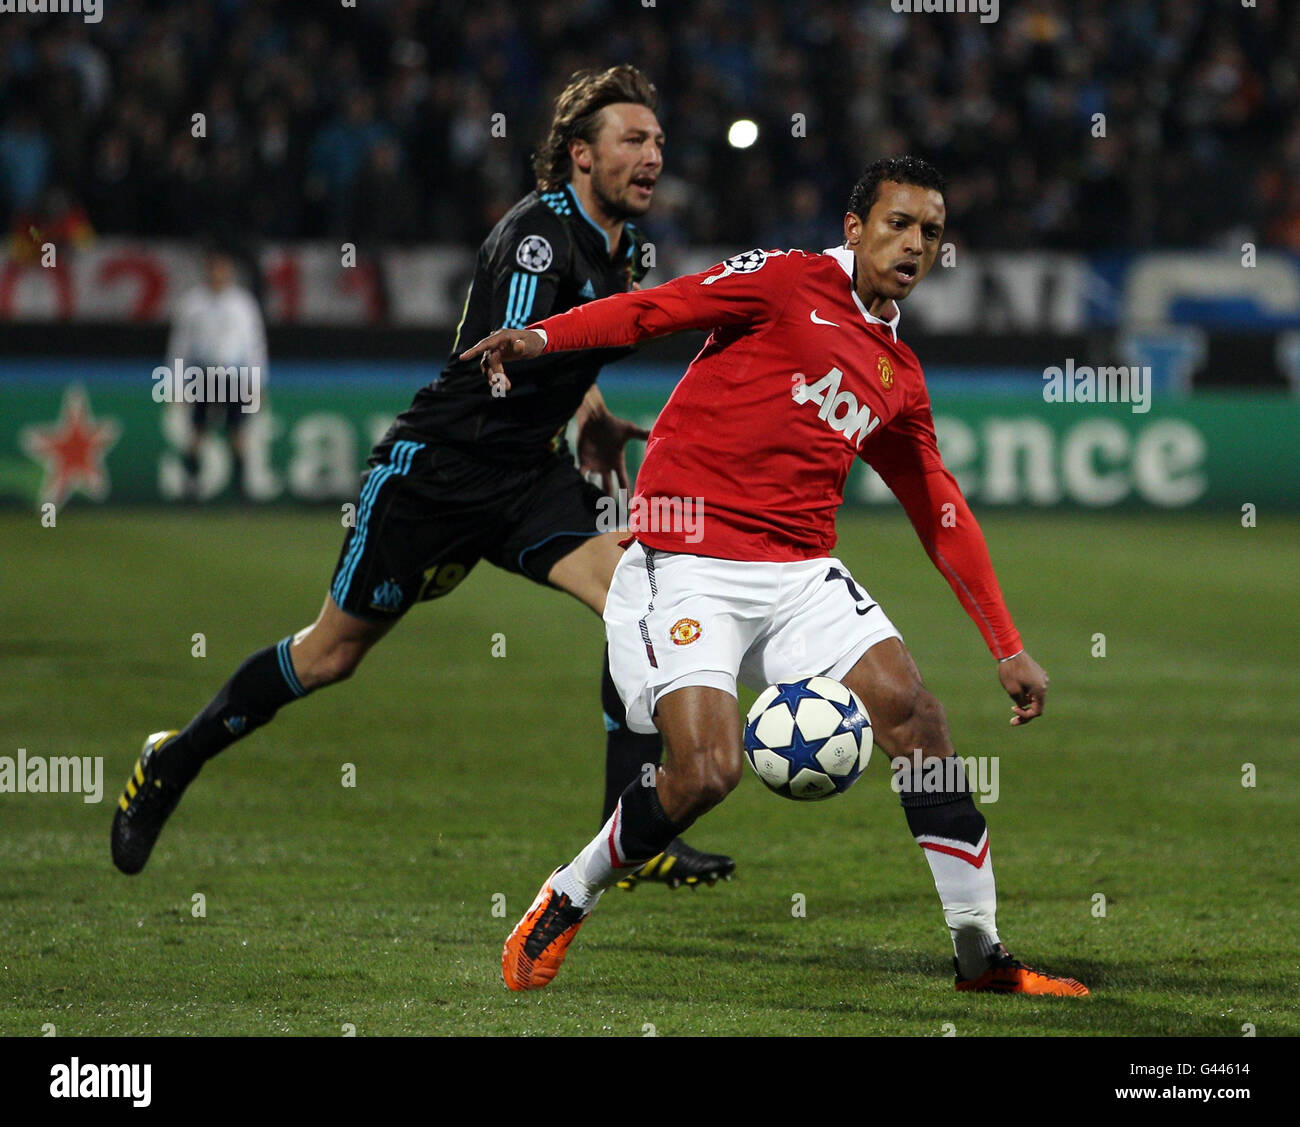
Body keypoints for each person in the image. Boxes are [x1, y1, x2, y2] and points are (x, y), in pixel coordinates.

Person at [464, 155, 1090, 996]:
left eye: (931, 233)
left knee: (918, 718)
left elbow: (939, 509)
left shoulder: (898, 376)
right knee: (706, 770)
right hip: (686, 563)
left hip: (798, 574)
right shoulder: (783, 281)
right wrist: (541, 337)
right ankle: (567, 894)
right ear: (854, 229)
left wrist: (1007, 647)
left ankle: (980, 954)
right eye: (899, 224)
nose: (914, 245)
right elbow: (656, 308)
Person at [112, 66, 735, 891]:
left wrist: (587, 412)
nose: (653, 154)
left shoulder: (619, 248)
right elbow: (518, 341)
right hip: (435, 475)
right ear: (581, 154)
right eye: (634, 139)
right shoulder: (539, 234)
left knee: (637, 594)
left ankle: (630, 828)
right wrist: (529, 370)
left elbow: (566, 348)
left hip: (525, 478)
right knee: (329, 655)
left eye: (658, 140)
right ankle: (172, 758)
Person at [168, 243, 267, 500]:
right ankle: (190, 487)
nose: (218, 274)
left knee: (238, 433)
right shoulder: (192, 304)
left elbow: (254, 346)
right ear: (207, 270)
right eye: (214, 268)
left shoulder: (243, 305)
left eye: (223, 269)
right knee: (197, 432)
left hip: (232, 375)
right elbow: (179, 347)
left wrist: (256, 383)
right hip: (203, 375)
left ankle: (241, 492)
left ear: (230, 272)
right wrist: (175, 384)